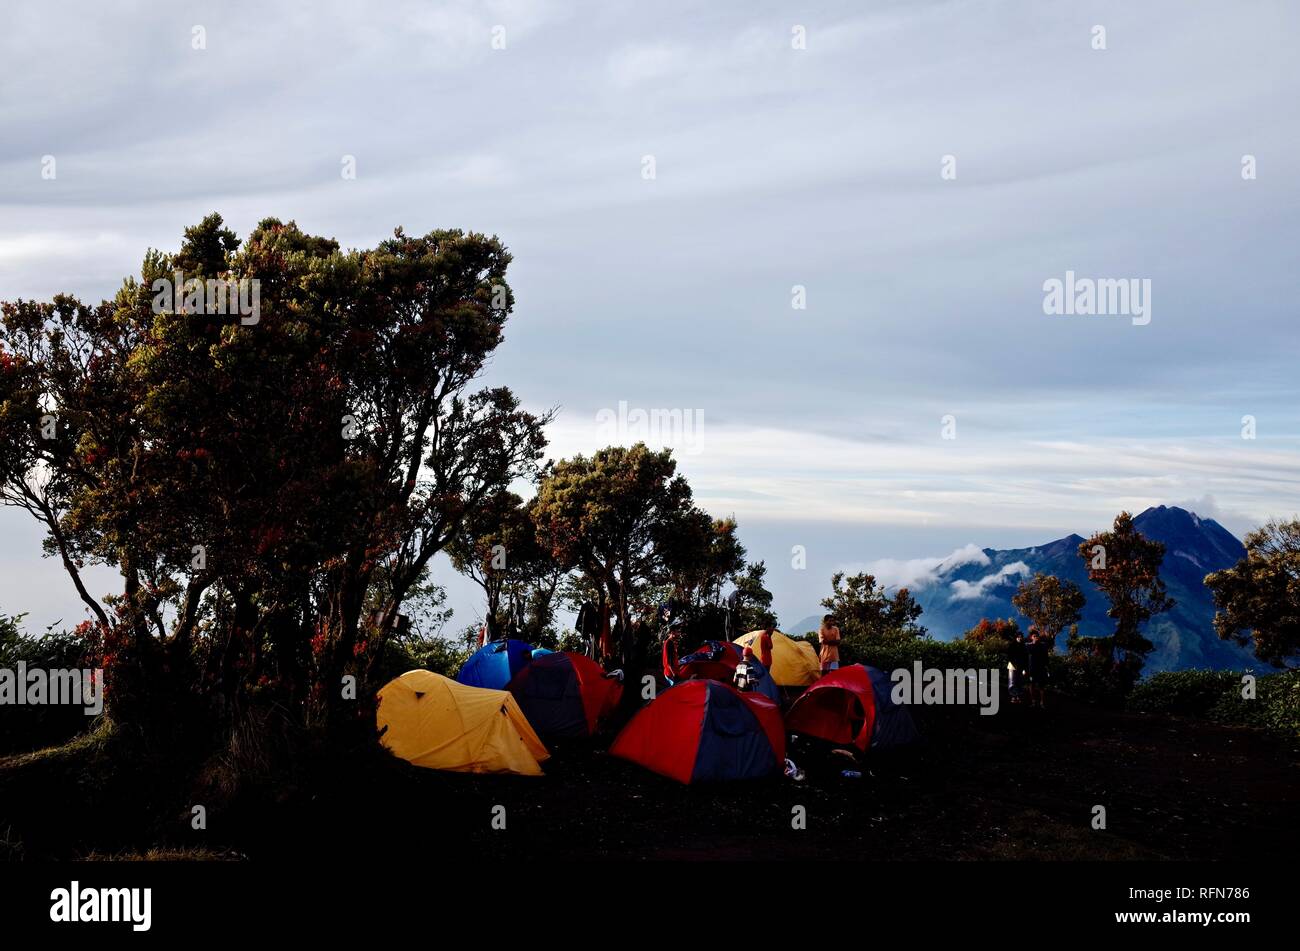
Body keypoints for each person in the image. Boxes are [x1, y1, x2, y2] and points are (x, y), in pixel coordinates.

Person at [1026, 629, 1051, 709]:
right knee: (1031, 686)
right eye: (1034, 636)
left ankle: (1042, 702)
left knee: (1041, 687)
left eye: (1037, 636)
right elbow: (1025, 657)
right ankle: (1033, 701)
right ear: (1031, 637)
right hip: (1031, 669)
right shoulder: (1028, 646)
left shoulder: (1043, 646)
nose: (1036, 637)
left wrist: (1047, 669)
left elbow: (1046, 658)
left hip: (1041, 669)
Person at [1007, 631, 1029, 703]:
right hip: (1012, 666)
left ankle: (1018, 697)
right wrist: (1014, 664)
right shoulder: (1012, 645)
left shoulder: (1024, 647)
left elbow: (1026, 659)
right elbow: (1009, 656)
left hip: (1021, 667)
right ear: (1016, 637)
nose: (1019, 638)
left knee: (1019, 682)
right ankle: (1013, 697)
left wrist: (1024, 669)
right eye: (1018, 637)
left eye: (1021, 637)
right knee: (1012, 682)